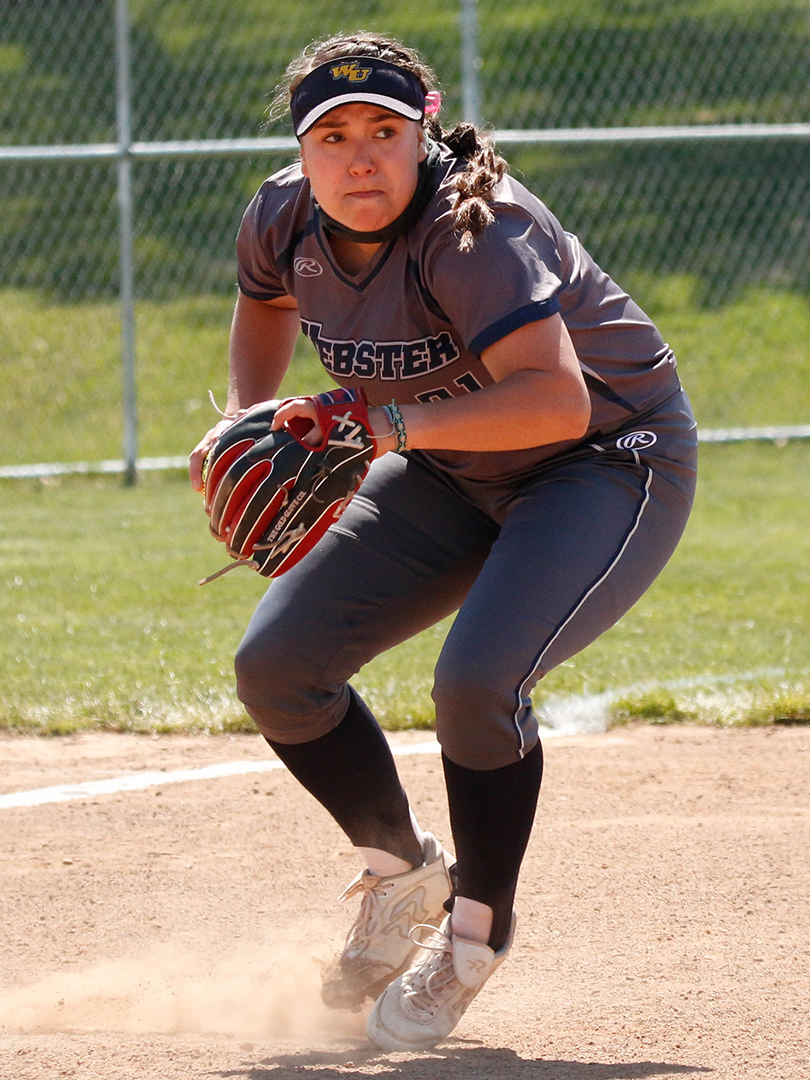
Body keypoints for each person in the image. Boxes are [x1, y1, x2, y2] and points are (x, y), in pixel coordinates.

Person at [188, 31, 697, 1052]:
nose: (360, 157)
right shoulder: (282, 215)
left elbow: (554, 401)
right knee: (278, 667)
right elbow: (263, 304)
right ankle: (401, 873)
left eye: (384, 130)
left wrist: (384, 428)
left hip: (602, 461)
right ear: (303, 149)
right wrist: (251, 416)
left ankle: (474, 934)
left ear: (424, 132)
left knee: (476, 684)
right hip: (447, 465)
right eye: (333, 136)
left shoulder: (477, 231)